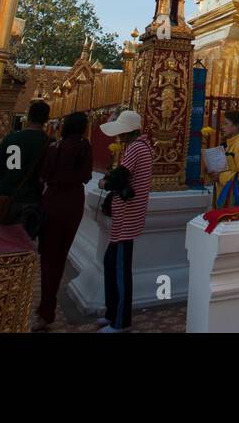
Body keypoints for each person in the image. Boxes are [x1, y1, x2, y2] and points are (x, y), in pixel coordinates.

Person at [32, 112, 93, 332]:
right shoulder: (84, 147)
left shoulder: (54, 147)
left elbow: (43, 175)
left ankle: (45, 309)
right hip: (73, 202)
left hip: (53, 200)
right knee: (59, 255)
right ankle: (46, 308)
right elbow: (86, 176)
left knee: (49, 258)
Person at [98, 109, 152, 333]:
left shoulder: (136, 148)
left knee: (120, 270)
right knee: (111, 263)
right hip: (128, 215)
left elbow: (119, 177)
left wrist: (105, 182)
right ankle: (112, 313)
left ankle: (121, 322)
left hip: (127, 216)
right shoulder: (144, 146)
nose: (118, 136)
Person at [0, 99, 51, 233]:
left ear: (29, 117)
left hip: (5, 196)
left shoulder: (12, 139)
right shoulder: (49, 143)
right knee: (22, 243)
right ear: (47, 119)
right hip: (31, 200)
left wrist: (13, 169)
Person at [211, 111, 239, 208]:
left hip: (235, 200)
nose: (222, 127)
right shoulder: (227, 146)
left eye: (226, 124)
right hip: (223, 197)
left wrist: (220, 177)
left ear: (236, 126)